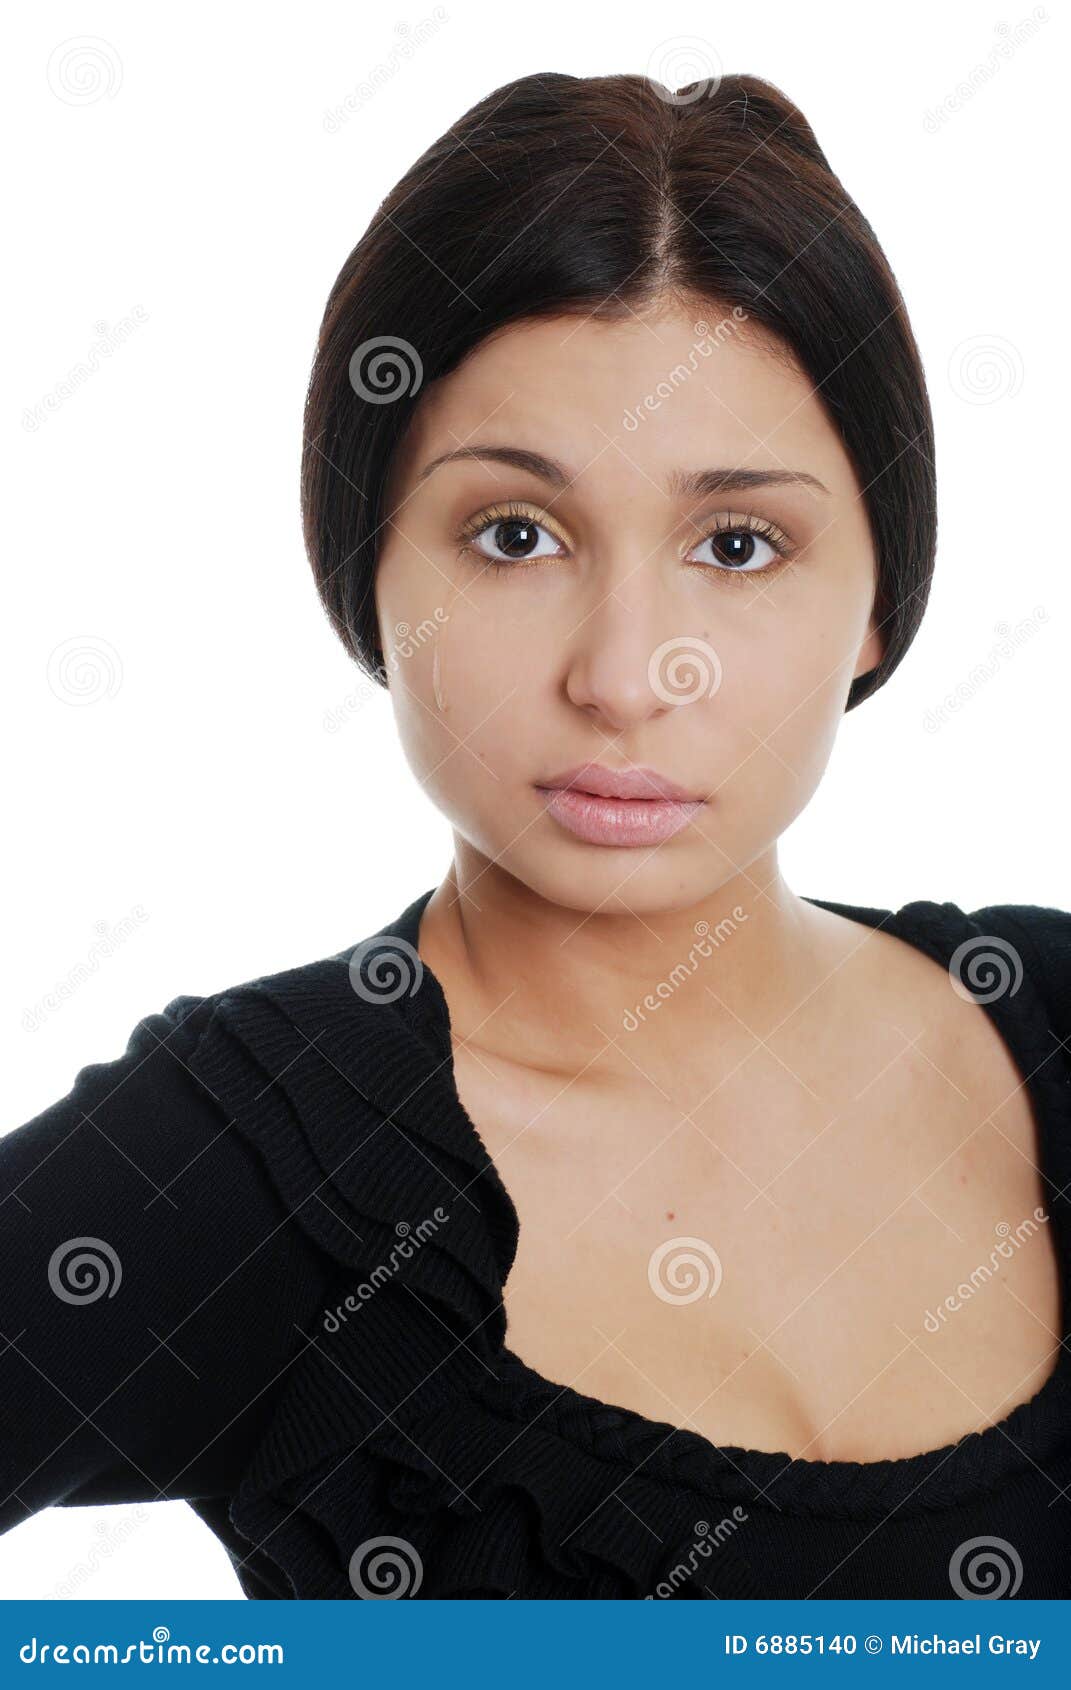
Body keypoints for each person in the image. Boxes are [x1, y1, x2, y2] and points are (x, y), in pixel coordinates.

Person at [4, 69, 1070, 1601]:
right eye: (515, 535)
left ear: (881, 600)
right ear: (368, 568)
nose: (627, 675)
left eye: (736, 544)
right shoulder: (254, 1167)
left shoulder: (1045, 1015)